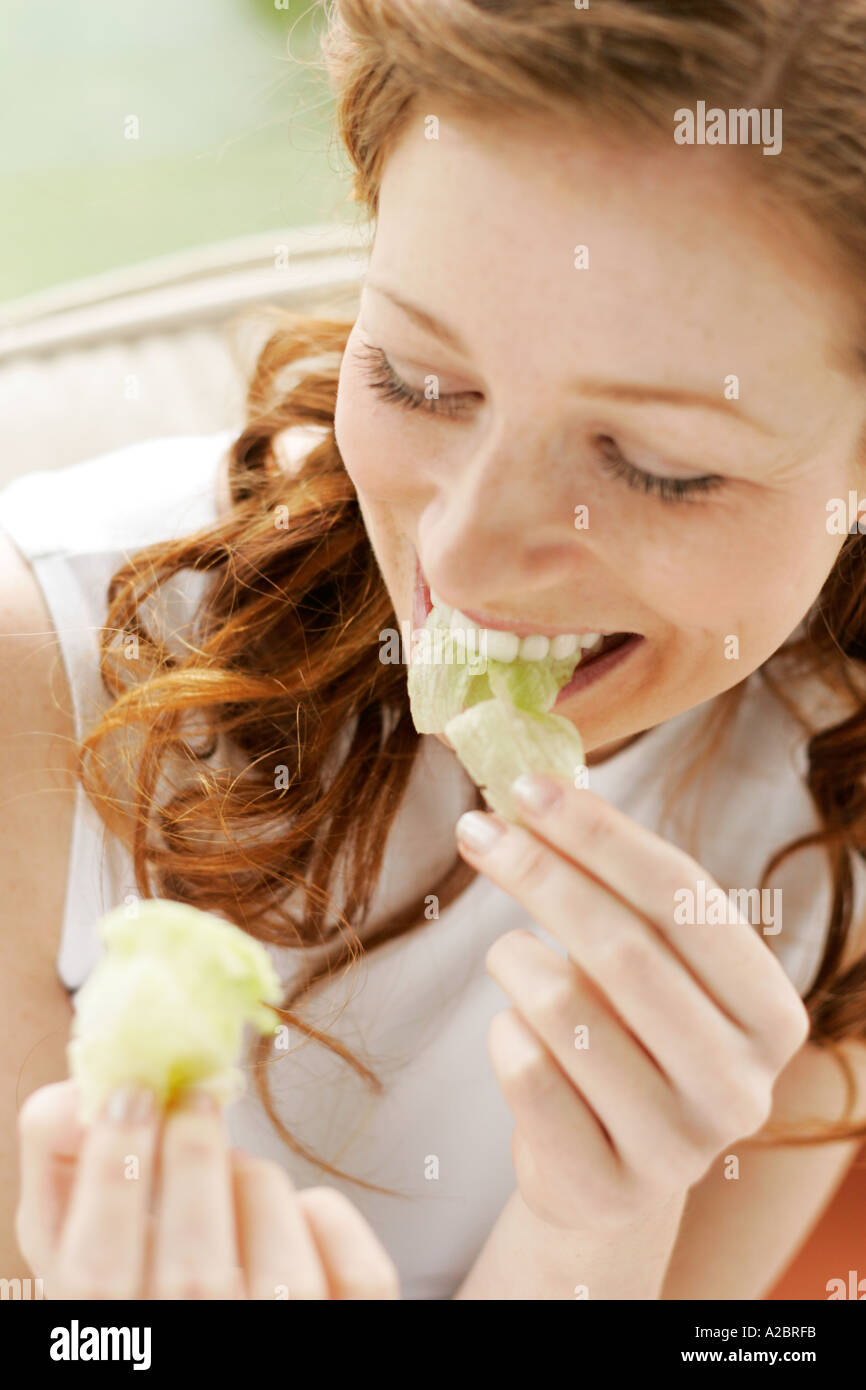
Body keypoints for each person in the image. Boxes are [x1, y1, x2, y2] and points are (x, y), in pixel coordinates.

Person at [4, 0, 866, 1300]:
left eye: (657, 468)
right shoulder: (38, 684)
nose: (458, 561)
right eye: (416, 379)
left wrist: (597, 1224)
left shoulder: (826, 830)